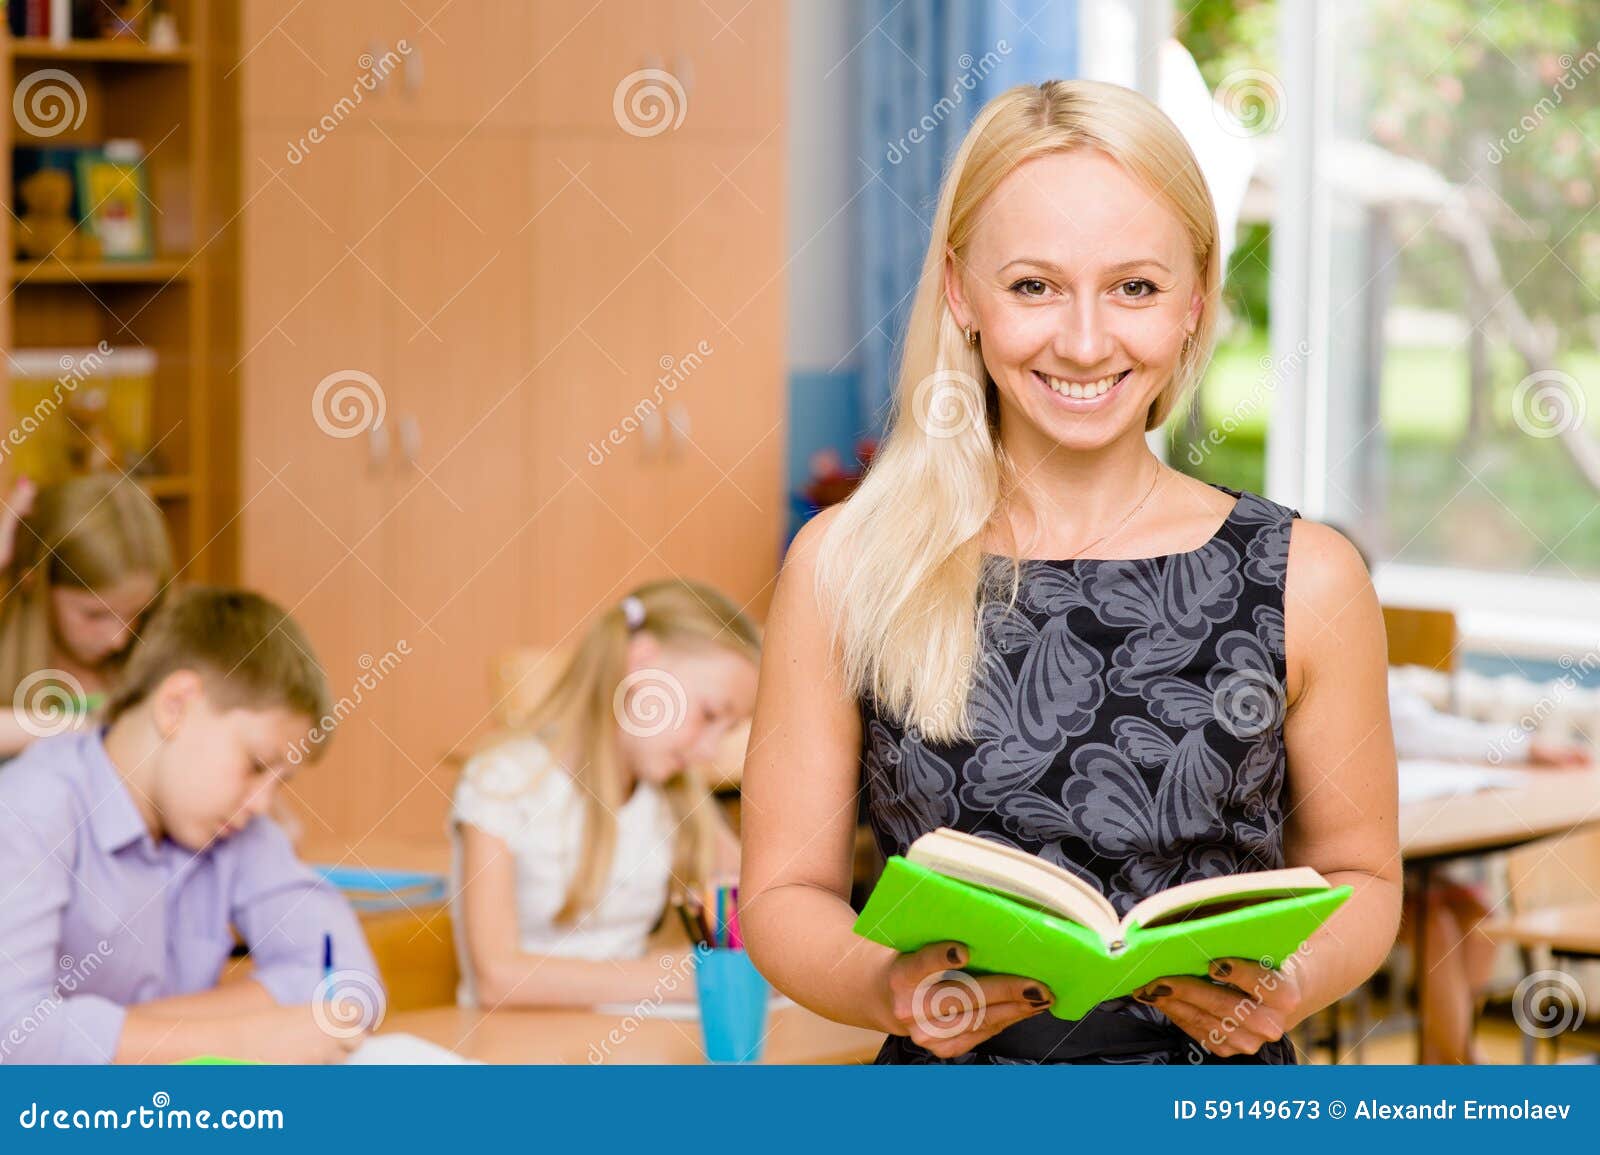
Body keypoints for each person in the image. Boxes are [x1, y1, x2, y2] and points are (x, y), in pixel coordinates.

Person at [740, 78, 1402, 1064]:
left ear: (1193, 300)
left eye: (1133, 287)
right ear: (962, 292)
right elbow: (785, 894)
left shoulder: (1308, 576)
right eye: (1033, 286)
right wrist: (885, 988)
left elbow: (1362, 874)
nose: (1085, 342)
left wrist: (1293, 983)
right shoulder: (847, 565)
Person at [0, 585, 383, 1064]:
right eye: (256, 764)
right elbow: (14, 1034)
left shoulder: (235, 826)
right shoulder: (31, 808)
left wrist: (110, 1033)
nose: (263, 804)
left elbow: (350, 979)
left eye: (280, 782)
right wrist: (244, 1038)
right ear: (177, 705)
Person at [451, 578, 759, 1008]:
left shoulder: (674, 798)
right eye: (709, 714)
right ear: (642, 665)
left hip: (629, 1042)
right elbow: (497, 979)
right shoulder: (501, 782)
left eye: (726, 731)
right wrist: (675, 979)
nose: (709, 751)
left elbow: (758, 913)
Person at [0, 475, 171, 757]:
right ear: (32, 582)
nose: (119, 639)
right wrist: (73, 726)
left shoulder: (157, 672)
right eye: (95, 615)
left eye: (138, 613)